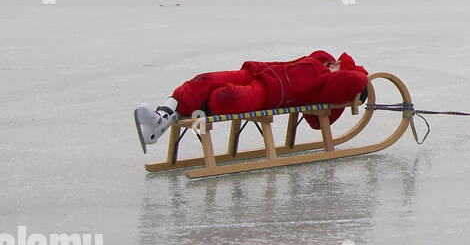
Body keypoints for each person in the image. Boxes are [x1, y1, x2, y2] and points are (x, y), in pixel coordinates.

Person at [133, 51, 370, 151]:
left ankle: (167, 120)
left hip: (267, 97)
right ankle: (159, 120)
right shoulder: (321, 62)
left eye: (340, 65)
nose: (334, 63)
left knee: (226, 97)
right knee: (202, 81)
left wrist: (359, 80)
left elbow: (350, 81)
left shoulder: (328, 86)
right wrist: (331, 65)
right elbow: (322, 57)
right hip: (256, 74)